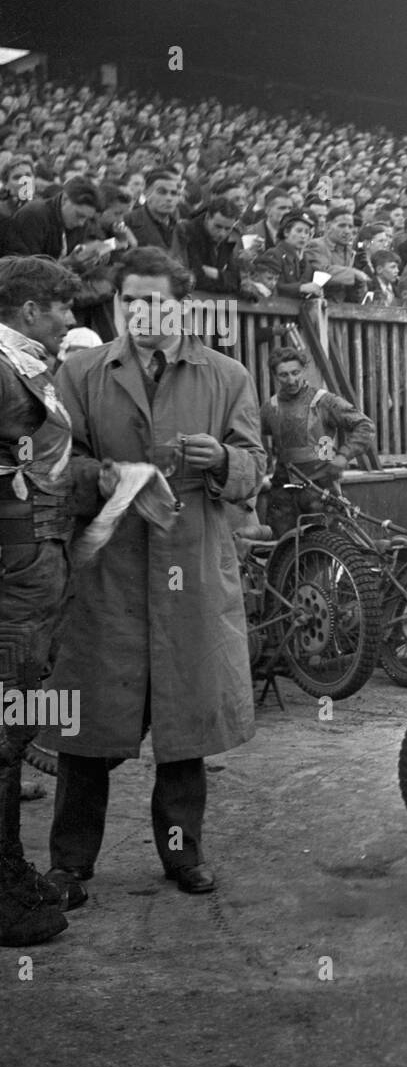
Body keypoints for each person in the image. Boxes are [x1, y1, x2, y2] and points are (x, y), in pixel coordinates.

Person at [37, 247, 266, 901]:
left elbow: (253, 467)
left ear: (183, 303)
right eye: (130, 301)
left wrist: (222, 457)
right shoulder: (80, 373)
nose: (143, 312)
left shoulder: (227, 375)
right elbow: (54, 467)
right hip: (106, 571)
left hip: (190, 564)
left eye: (156, 301)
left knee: (183, 728)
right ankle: (70, 863)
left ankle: (181, 853)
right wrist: (101, 476)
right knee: (87, 728)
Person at [0, 257, 107, 942]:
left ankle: (9, 871)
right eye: (64, 307)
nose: (73, 319)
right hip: (16, 566)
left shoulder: (22, 360)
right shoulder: (4, 364)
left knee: (18, 716)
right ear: (34, 308)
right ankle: (4, 886)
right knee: (6, 724)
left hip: (34, 562)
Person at [260, 348, 376, 537]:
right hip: (284, 494)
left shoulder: (324, 401)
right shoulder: (269, 408)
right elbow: (255, 442)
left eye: (295, 373)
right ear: (275, 376)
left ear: (304, 371)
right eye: (283, 375)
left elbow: (365, 426)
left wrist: (343, 455)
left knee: (329, 547)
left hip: (320, 489)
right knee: (284, 550)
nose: (291, 380)